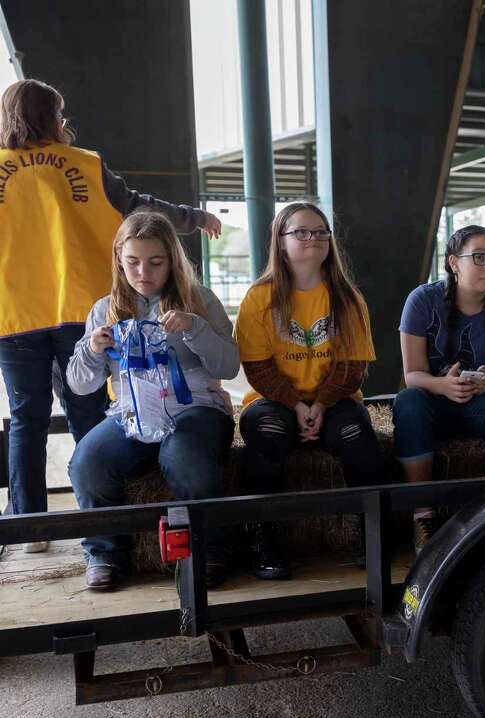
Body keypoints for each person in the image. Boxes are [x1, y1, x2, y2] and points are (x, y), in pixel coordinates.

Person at [0, 78, 220, 553]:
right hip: (80, 307)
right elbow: (142, 209)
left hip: (12, 313)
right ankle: (102, 520)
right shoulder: (85, 165)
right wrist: (195, 217)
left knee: (25, 419)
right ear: (50, 116)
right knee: (88, 411)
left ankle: (29, 527)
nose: (64, 122)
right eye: (59, 113)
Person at [66, 211, 239, 591]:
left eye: (155, 262)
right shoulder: (103, 310)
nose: (143, 271)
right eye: (132, 262)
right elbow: (77, 386)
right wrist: (93, 350)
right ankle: (105, 552)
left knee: (183, 456)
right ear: (118, 260)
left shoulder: (201, 301)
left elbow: (228, 366)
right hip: (130, 415)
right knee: (86, 462)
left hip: (197, 409)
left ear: (172, 261)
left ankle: (211, 549)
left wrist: (196, 329)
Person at [235, 203, 384, 579]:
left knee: (354, 433)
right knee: (269, 431)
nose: (313, 239)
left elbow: (353, 366)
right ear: (280, 242)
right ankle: (262, 537)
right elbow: (257, 366)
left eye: (320, 232)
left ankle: (373, 534)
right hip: (275, 402)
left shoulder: (347, 298)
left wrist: (319, 404)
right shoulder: (259, 298)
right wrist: (296, 405)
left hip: (334, 401)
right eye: (301, 232)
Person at [394, 225, 485, 552]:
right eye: (480, 258)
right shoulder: (422, 300)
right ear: (454, 262)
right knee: (408, 401)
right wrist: (442, 385)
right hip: (435, 403)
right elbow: (413, 375)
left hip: (480, 402)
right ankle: (422, 515)